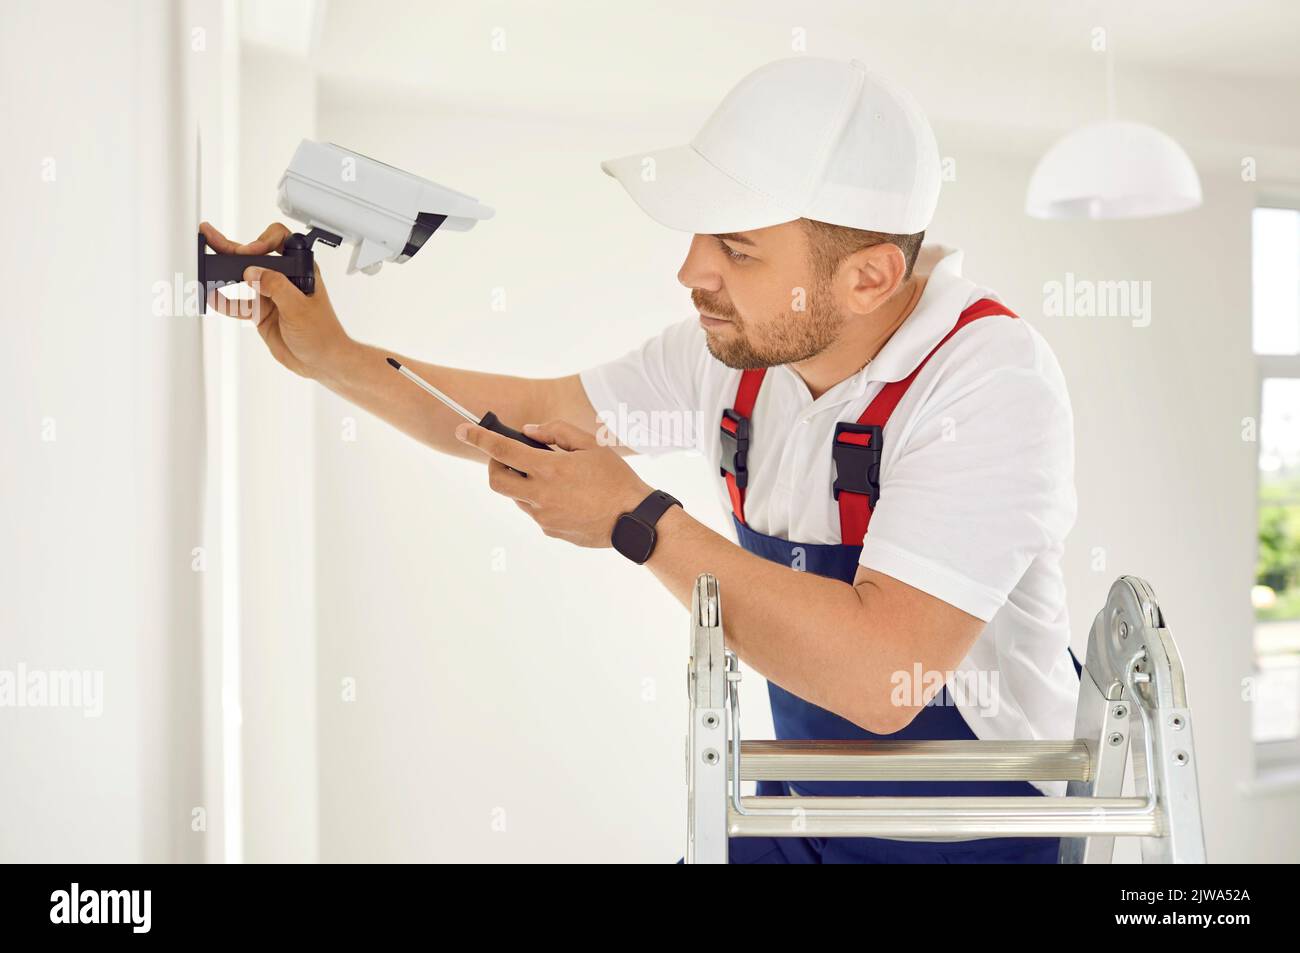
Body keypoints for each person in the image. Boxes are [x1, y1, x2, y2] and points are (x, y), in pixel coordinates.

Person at [201, 56, 1081, 864]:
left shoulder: (986, 383)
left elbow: (885, 675)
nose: (692, 270)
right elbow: (538, 417)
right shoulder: (734, 358)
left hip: (976, 837)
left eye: (737, 248)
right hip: (799, 813)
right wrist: (338, 357)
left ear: (869, 279)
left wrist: (639, 521)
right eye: (705, 236)